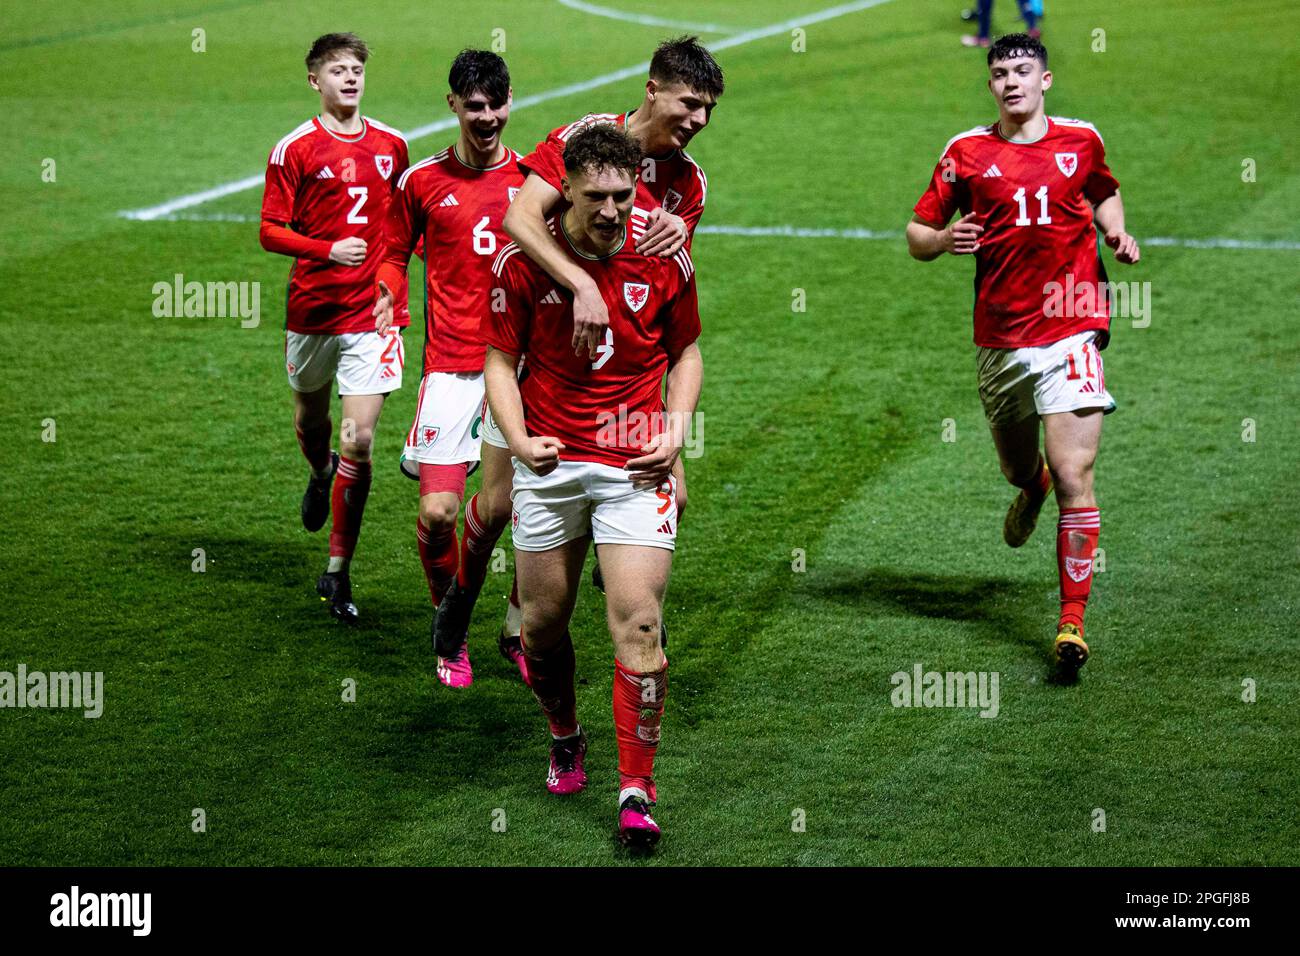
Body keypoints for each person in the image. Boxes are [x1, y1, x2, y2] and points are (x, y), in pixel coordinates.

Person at [484, 124, 703, 848]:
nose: (612, 210)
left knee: (639, 623)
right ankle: (564, 732)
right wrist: (516, 441)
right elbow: (497, 360)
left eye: (624, 193)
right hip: (549, 466)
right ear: (567, 188)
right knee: (542, 629)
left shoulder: (664, 253)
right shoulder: (524, 263)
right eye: (596, 196)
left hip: (633, 466)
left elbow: (687, 351)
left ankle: (637, 790)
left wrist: (676, 429)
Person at [474, 35, 723, 650]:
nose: (698, 120)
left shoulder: (688, 185)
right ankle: (466, 596)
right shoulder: (583, 138)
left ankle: (593, 579)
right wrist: (580, 284)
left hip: (621, 372)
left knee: (675, 491)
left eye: (708, 110)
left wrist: (673, 420)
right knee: (501, 501)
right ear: (652, 90)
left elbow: (661, 292)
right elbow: (519, 217)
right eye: (689, 103)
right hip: (541, 343)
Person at [906, 33, 1140, 674]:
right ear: (991, 85)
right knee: (1020, 470)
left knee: (1075, 475)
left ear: (1046, 81)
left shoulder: (1081, 140)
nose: (1011, 81)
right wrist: (944, 238)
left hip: (1074, 327)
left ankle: (1071, 623)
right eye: (1000, 73)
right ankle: (1029, 486)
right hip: (1002, 337)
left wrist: (1113, 228)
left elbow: (1102, 191)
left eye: (1022, 71)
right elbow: (917, 234)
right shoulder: (967, 152)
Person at [373, 50, 524, 686]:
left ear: (509, 103)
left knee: (526, 513)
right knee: (439, 514)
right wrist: (389, 295)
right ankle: (449, 620)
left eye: (495, 105)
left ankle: (518, 631)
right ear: (453, 105)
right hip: (452, 370)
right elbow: (391, 250)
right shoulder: (421, 182)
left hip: (520, 371)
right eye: (473, 106)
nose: (485, 117)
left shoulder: (536, 183)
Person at [260, 32, 410, 623]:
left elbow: (403, 231)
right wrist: (326, 249)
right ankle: (320, 473)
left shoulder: (393, 146)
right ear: (314, 81)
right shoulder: (293, 149)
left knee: (361, 440)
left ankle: (337, 570)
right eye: (337, 71)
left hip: (372, 316)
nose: (349, 79)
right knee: (311, 420)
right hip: (314, 311)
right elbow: (270, 231)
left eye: (356, 70)